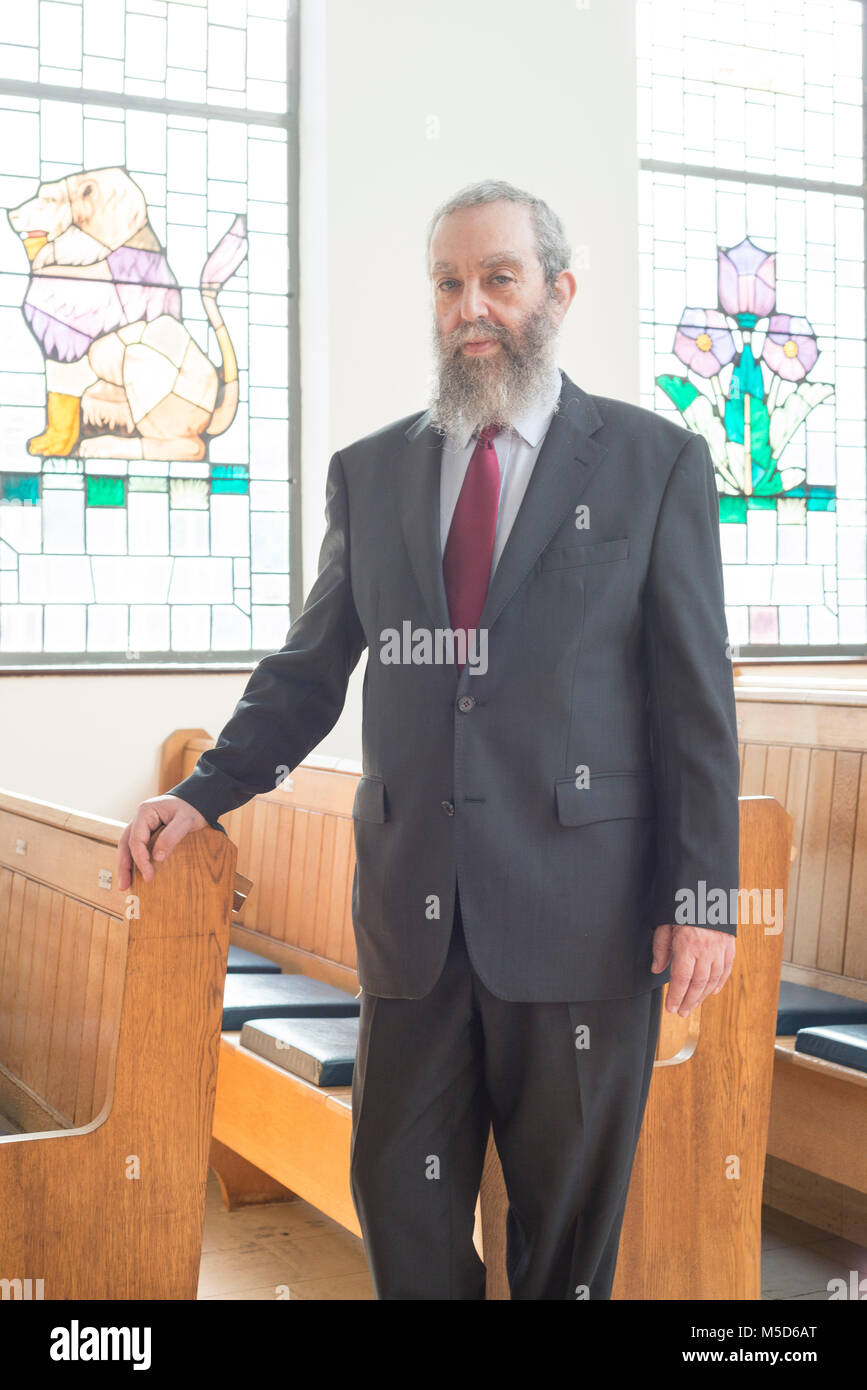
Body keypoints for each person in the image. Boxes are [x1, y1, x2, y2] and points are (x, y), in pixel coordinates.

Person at [118, 179, 740, 1300]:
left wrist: (702, 894)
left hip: (584, 923)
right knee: (403, 1220)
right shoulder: (376, 471)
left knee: (565, 1247)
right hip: (415, 921)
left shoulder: (656, 466)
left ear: (558, 290)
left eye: (498, 278)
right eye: (449, 283)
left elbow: (695, 702)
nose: (471, 306)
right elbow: (311, 668)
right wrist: (205, 793)